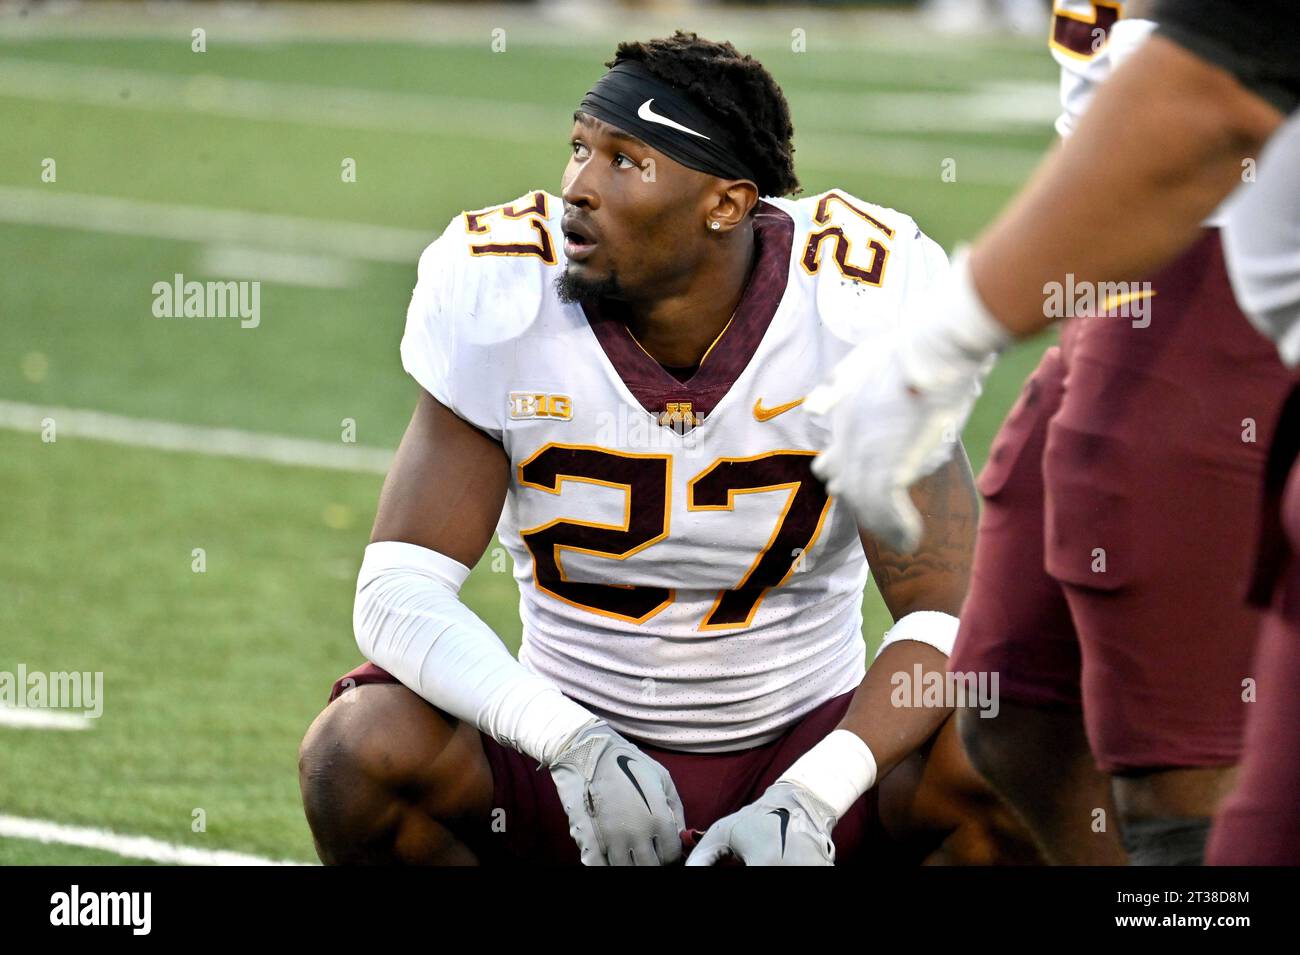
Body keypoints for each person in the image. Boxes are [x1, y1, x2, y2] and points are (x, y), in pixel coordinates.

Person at [297, 32, 1033, 866]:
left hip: (802, 739)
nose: (576, 186)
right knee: (360, 748)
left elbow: (950, 617)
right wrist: (568, 741)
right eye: (578, 148)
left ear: (725, 203)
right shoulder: (500, 293)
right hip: (566, 752)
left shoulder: (857, 304)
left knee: (1008, 747)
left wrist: (814, 794)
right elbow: (397, 591)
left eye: (624, 161)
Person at [808, 0, 1300, 864]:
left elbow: (1219, 80)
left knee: (1188, 779)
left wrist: (942, 341)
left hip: (1224, 257)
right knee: (1016, 701)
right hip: (1136, 256)